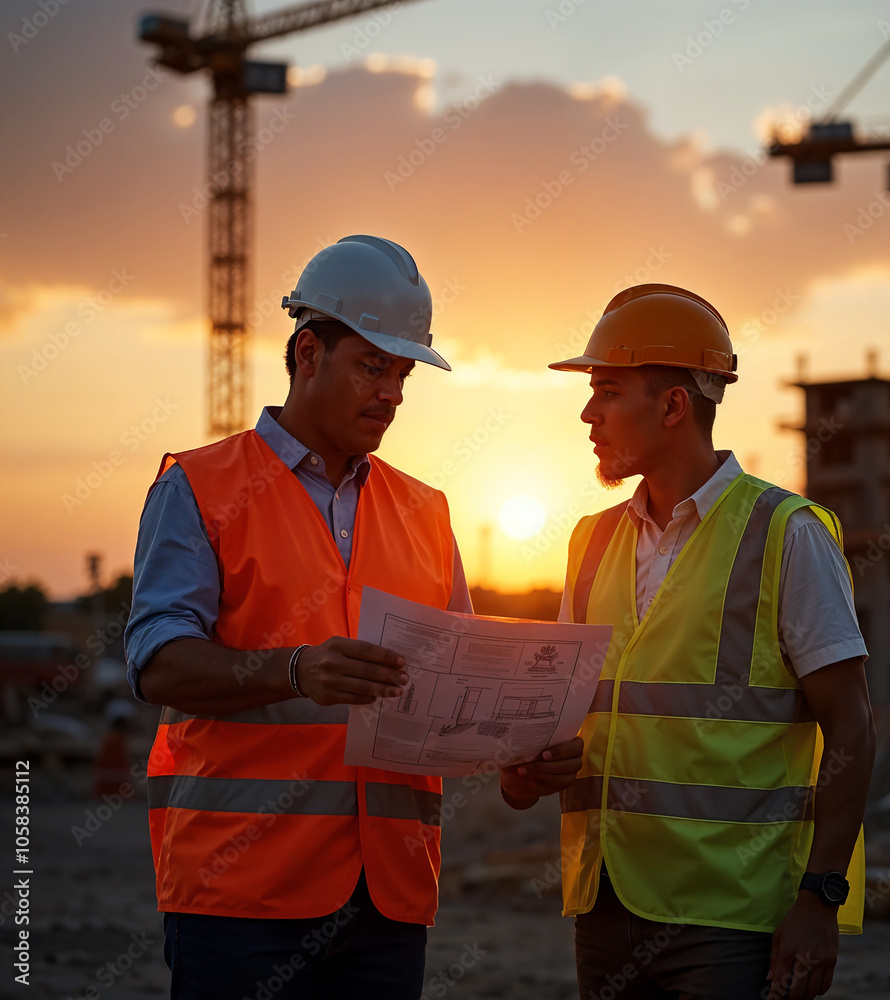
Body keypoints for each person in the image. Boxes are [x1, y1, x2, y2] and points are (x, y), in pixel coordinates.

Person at [124, 234, 582, 999]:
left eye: (403, 374)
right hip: (241, 895)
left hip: (388, 900)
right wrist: (294, 669)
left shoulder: (425, 512)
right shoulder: (200, 488)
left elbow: (457, 697)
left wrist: (521, 760)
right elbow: (157, 660)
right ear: (308, 353)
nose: (393, 394)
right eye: (375, 367)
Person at [501, 283, 876, 1000]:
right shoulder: (590, 544)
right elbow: (554, 717)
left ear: (673, 407)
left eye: (607, 391)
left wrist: (820, 897)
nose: (587, 413)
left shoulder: (785, 536)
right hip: (605, 906)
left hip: (729, 918)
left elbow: (853, 729)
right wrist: (523, 771)